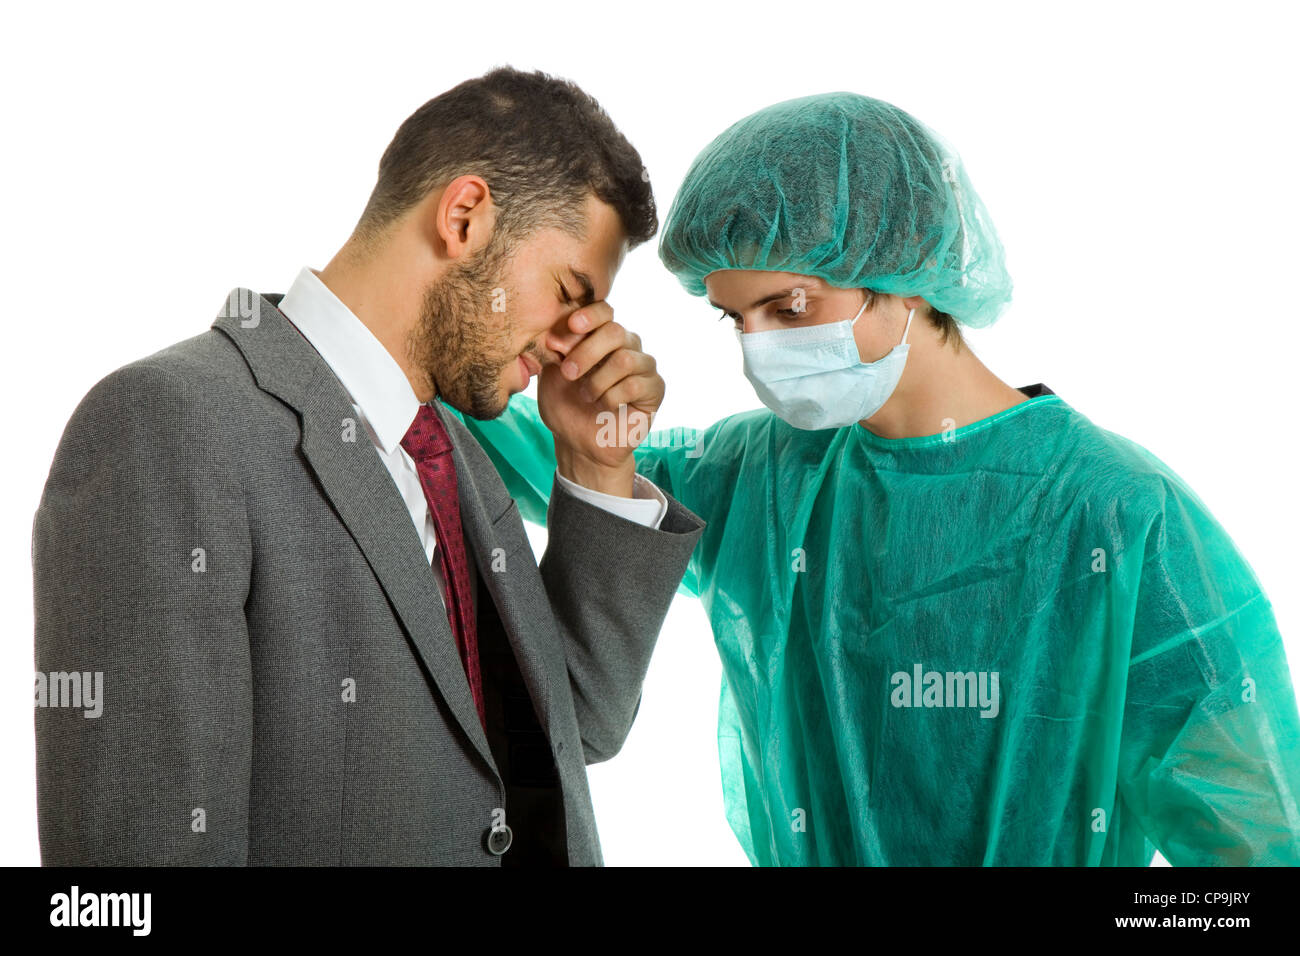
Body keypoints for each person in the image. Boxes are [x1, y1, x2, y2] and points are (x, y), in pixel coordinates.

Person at [451, 91, 1300, 865]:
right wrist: (486, 346)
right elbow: (570, 462)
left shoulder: (1118, 515)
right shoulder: (761, 475)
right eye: (733, 317)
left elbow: (1253, 845)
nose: (760, 350)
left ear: (908, 276)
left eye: (791, 308)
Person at [32, 67, 704, 866]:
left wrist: (596, 467)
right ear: (465, 216)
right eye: (568, 291)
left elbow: (570, 733)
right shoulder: (169, 423)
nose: (575, 340)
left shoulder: (453, 456)